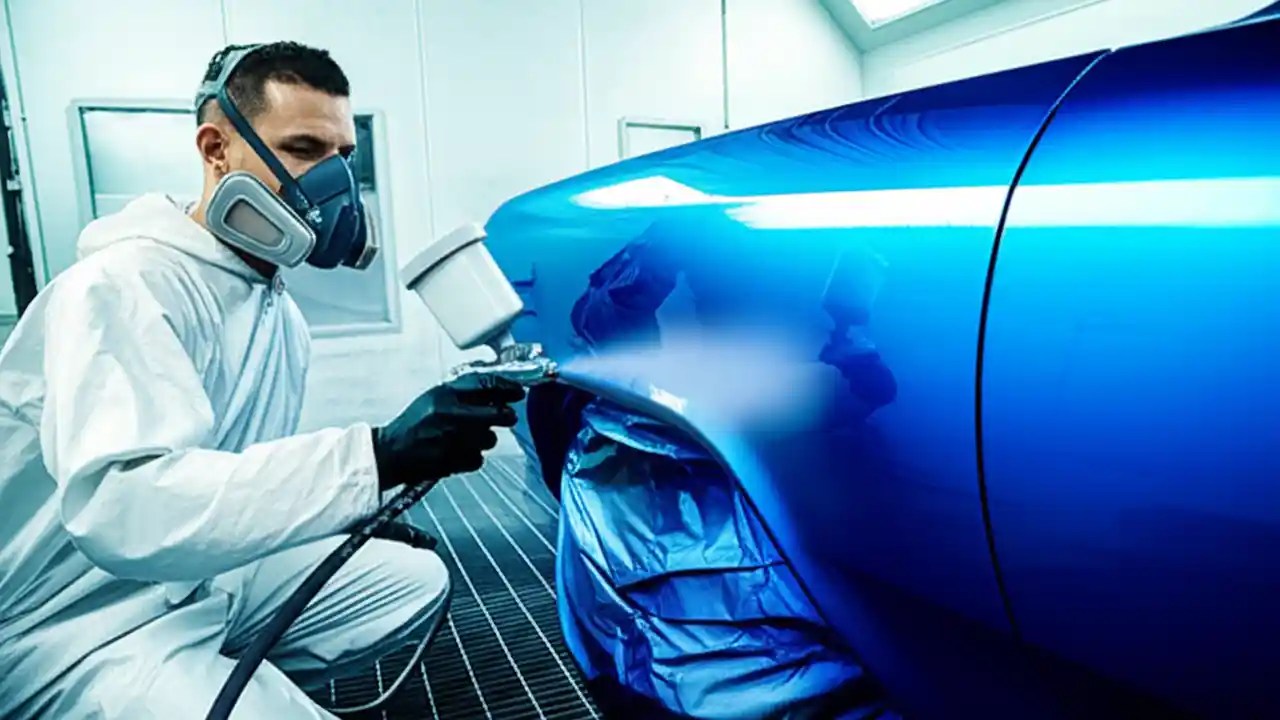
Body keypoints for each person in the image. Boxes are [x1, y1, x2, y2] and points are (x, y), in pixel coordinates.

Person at [0, 41, 524, 718]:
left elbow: (229, 471)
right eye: (304, 148)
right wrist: (377, 456)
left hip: (201, 579)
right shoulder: (120, 287)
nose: (331, 183)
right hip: (80, 623)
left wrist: (349, 509)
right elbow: (126, 509)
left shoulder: (277, 312)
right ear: (217, 150)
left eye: (343, 156)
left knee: (411, 580)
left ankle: (214, 676)